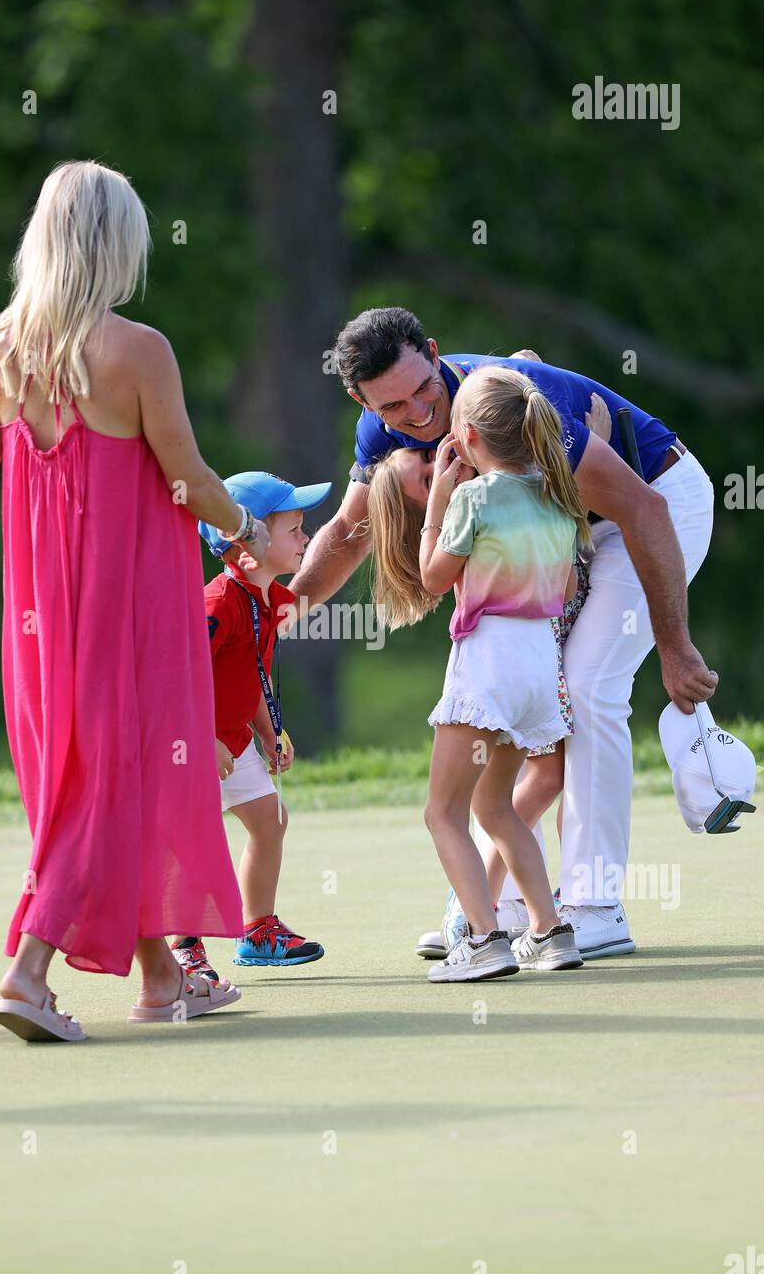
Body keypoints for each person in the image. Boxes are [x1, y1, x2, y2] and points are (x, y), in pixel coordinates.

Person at [0, 159, 272, 1041]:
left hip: (39, 617)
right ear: (116, 245)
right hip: (130, 604)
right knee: (105, 780)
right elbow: (185, 478)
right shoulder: (138, 351)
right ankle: (28, 973)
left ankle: (159, 981)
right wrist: (246, 529)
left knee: (94, 777)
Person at [289, 307, 717, 959]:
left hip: (657, 504)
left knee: (589, 683)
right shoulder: (381, 433)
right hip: (567, 538)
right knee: (527, 727)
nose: (418, 413)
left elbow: (643, 508)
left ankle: (595, 905)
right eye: (394, 406)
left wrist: (676, 646)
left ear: (433, 353)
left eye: (425, 389)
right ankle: (505, 906)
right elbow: (349, 534)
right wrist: (277, 614)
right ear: (361, 401)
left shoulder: (507, 408)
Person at [422, 366, 588, 981]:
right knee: (497, 809)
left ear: (464, 435)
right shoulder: (557, 497)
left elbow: (434, 578)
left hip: (488, 662)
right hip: (539, 667)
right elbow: (567, 587)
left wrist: (437, 505)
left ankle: (484, 940)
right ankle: (550, 932)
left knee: (442, 811)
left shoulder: (473, 497)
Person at [169, 471, 332, 977]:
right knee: (193, 843)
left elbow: (251, 674)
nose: (305, 538)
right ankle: (183, 947)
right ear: (246, 549)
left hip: (233, 742)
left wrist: (266, 729)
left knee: (270, 820)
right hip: (188, 745)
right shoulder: (217, 603)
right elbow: (173, 674)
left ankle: (257, 930)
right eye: (294, 530)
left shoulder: (266, 600)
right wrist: (200, 739)